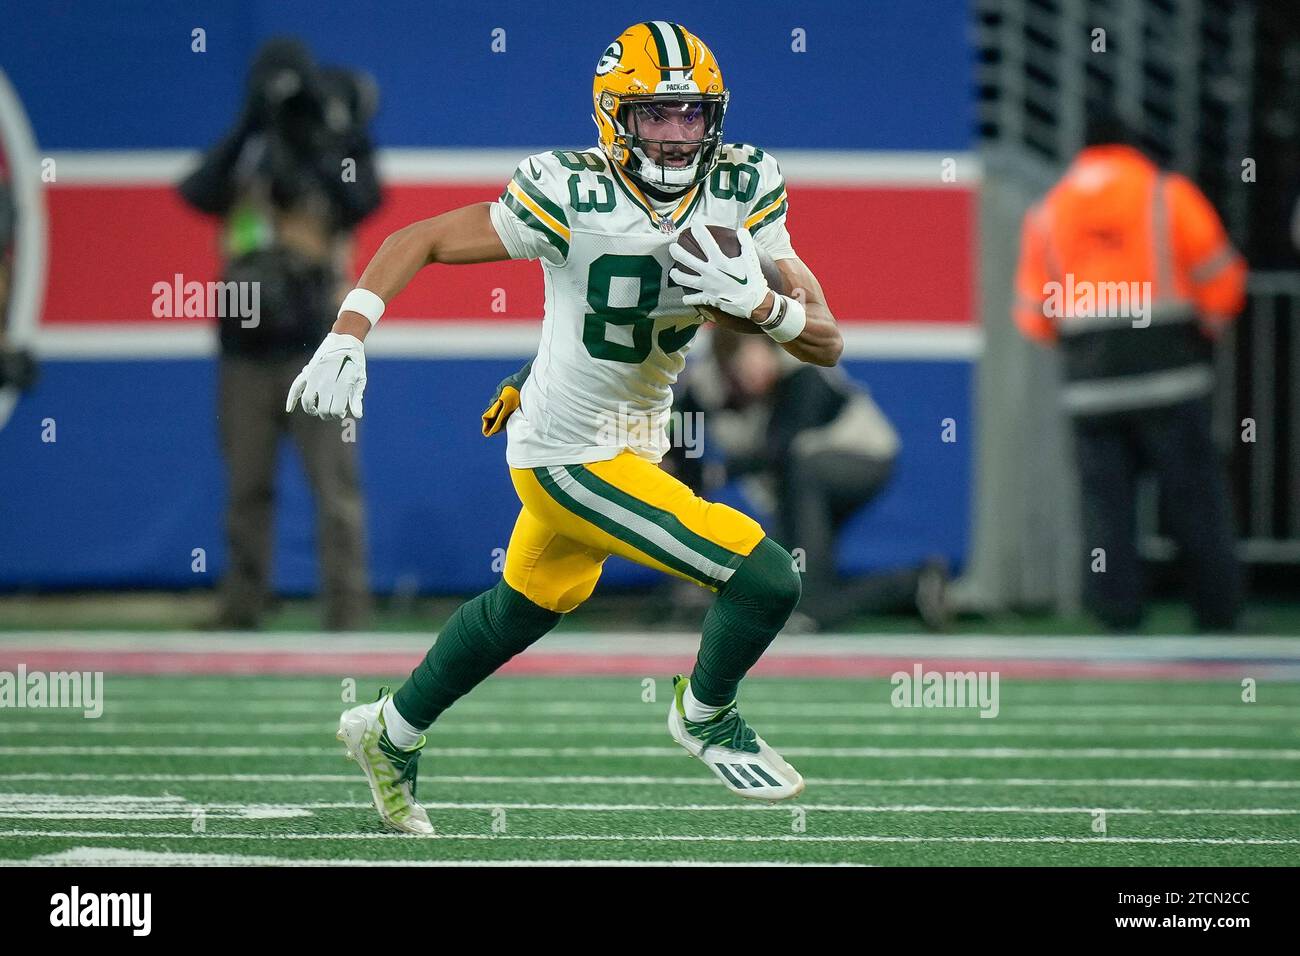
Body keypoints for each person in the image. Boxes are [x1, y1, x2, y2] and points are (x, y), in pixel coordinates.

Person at [288, 21, 843, 833]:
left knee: (528, 603)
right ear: (613, 116)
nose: (678, 135)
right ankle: (705, 713)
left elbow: (825, 339)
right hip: (566, 452)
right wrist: (349, 331)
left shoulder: (746, 185)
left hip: (633, 435)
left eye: (693, 115)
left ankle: (388, 730)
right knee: (764, 578)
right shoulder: (569, 190)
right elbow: (423, 238)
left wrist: (761, 303)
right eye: (655, 115)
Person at [1013, 112, 1246, 632]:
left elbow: (1033, 314)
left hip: (1090, 388)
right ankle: (1217, 613)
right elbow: (1223, 276)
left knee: (1106, 510)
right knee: (1194, 499)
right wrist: (1204, 327)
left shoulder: (1050, 209)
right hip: (1170, 377)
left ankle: (1116, 616)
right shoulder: (1166, 193)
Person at [179, 38, 381, 631]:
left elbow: (362, 197)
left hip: (315, 344)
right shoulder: (246, 154)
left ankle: (347, 612)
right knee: (246, 487)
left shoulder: (324, 146)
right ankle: (241, 607)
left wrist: (328, 129)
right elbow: (196, 192)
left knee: (334, 490)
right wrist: (251, 122)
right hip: (244, 348)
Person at [667, 328, 949, 631]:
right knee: (791, 589)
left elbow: (780, 448)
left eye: (759, 357)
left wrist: (719, 473)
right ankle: (913, 585)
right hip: (797, 484)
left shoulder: (799, 368)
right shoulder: (705, 384)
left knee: (799, 584)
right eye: (744, 368)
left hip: (859, 463)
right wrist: (680, 470)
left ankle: (815, 603)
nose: (757, 374)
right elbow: (683, 442)